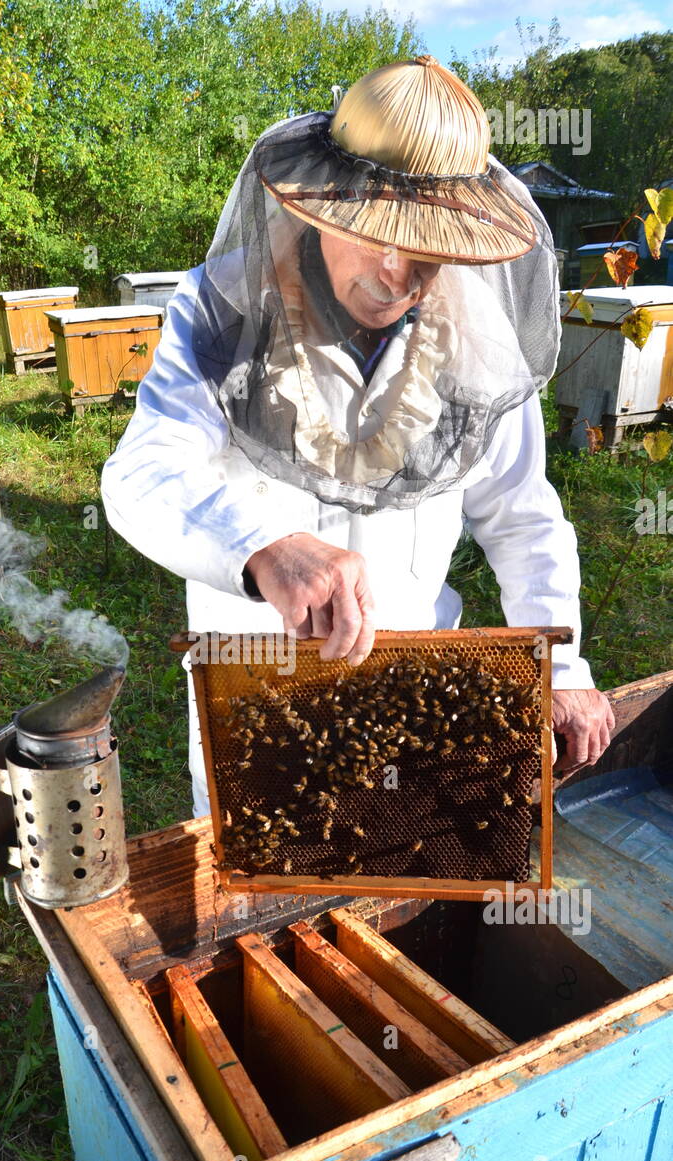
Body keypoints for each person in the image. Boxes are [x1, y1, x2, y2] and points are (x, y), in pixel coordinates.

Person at [102, 55, 614, 817]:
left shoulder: (480, 336)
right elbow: (139, 475)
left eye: (427, 247)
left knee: (397, 881)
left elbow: (520, 513)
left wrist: (561, 664)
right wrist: (261, 546)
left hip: (416, 694)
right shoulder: (222, 306)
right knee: (266, 907)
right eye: (376, 232)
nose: (396, 272)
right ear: (320, 206)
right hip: (257, 692)